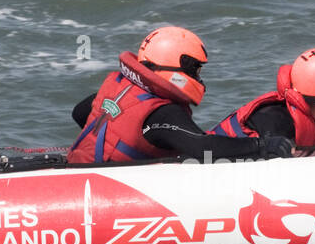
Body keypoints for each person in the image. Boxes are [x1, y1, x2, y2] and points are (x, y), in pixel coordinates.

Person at [67, 26, 292, 164]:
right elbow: (204, 147)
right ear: (177, 68)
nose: (199, 78)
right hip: (107, 188)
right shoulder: (162, 112)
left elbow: (80, 112)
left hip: (78, 169)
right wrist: (262, 145)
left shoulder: (120, 85)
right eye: (196, 70)